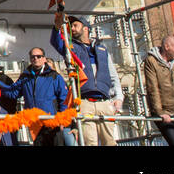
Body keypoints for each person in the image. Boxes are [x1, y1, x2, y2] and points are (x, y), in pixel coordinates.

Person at [50, 10, 124, 146]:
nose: (72, 28)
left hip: (104, 101)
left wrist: (118, 98)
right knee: (90, 142)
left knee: (110, 142)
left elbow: (113, 76)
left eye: (75, 25)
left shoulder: (102, 49)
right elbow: (56, 43)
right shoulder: (71, 48)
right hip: (85, 102)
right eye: (70, 26)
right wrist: (56, 27)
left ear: (85, 28)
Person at [0, 48, 76, 146]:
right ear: (30, 59)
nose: (36, 59)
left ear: (44, 59)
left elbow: (64, 99)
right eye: (33, 57)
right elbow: (13, 92)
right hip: (34, 123)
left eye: (39, 56)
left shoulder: (54, 76)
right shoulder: (25, 76)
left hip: (52, 121)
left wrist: (62, 119)